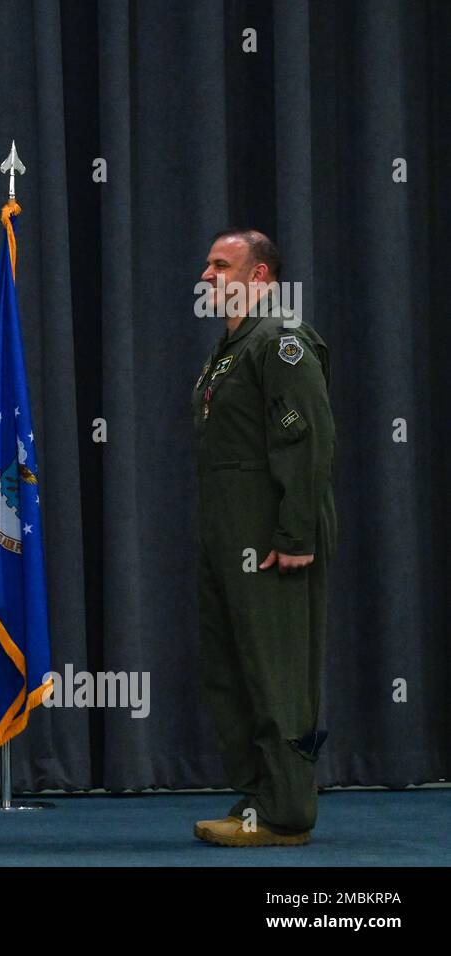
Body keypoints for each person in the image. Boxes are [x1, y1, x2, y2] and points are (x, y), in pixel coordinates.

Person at [190, 228, 335, 847]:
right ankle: (256, 799)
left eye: (222, 265)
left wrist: (296, 531)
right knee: (234, 673)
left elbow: (306, 443)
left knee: (278, 672)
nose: (207, 276)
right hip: (228, 533)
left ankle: (287, 813)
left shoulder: (281, 342)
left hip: (273, 534)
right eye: (207, 265)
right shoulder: (231, 347)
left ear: (260, 278)